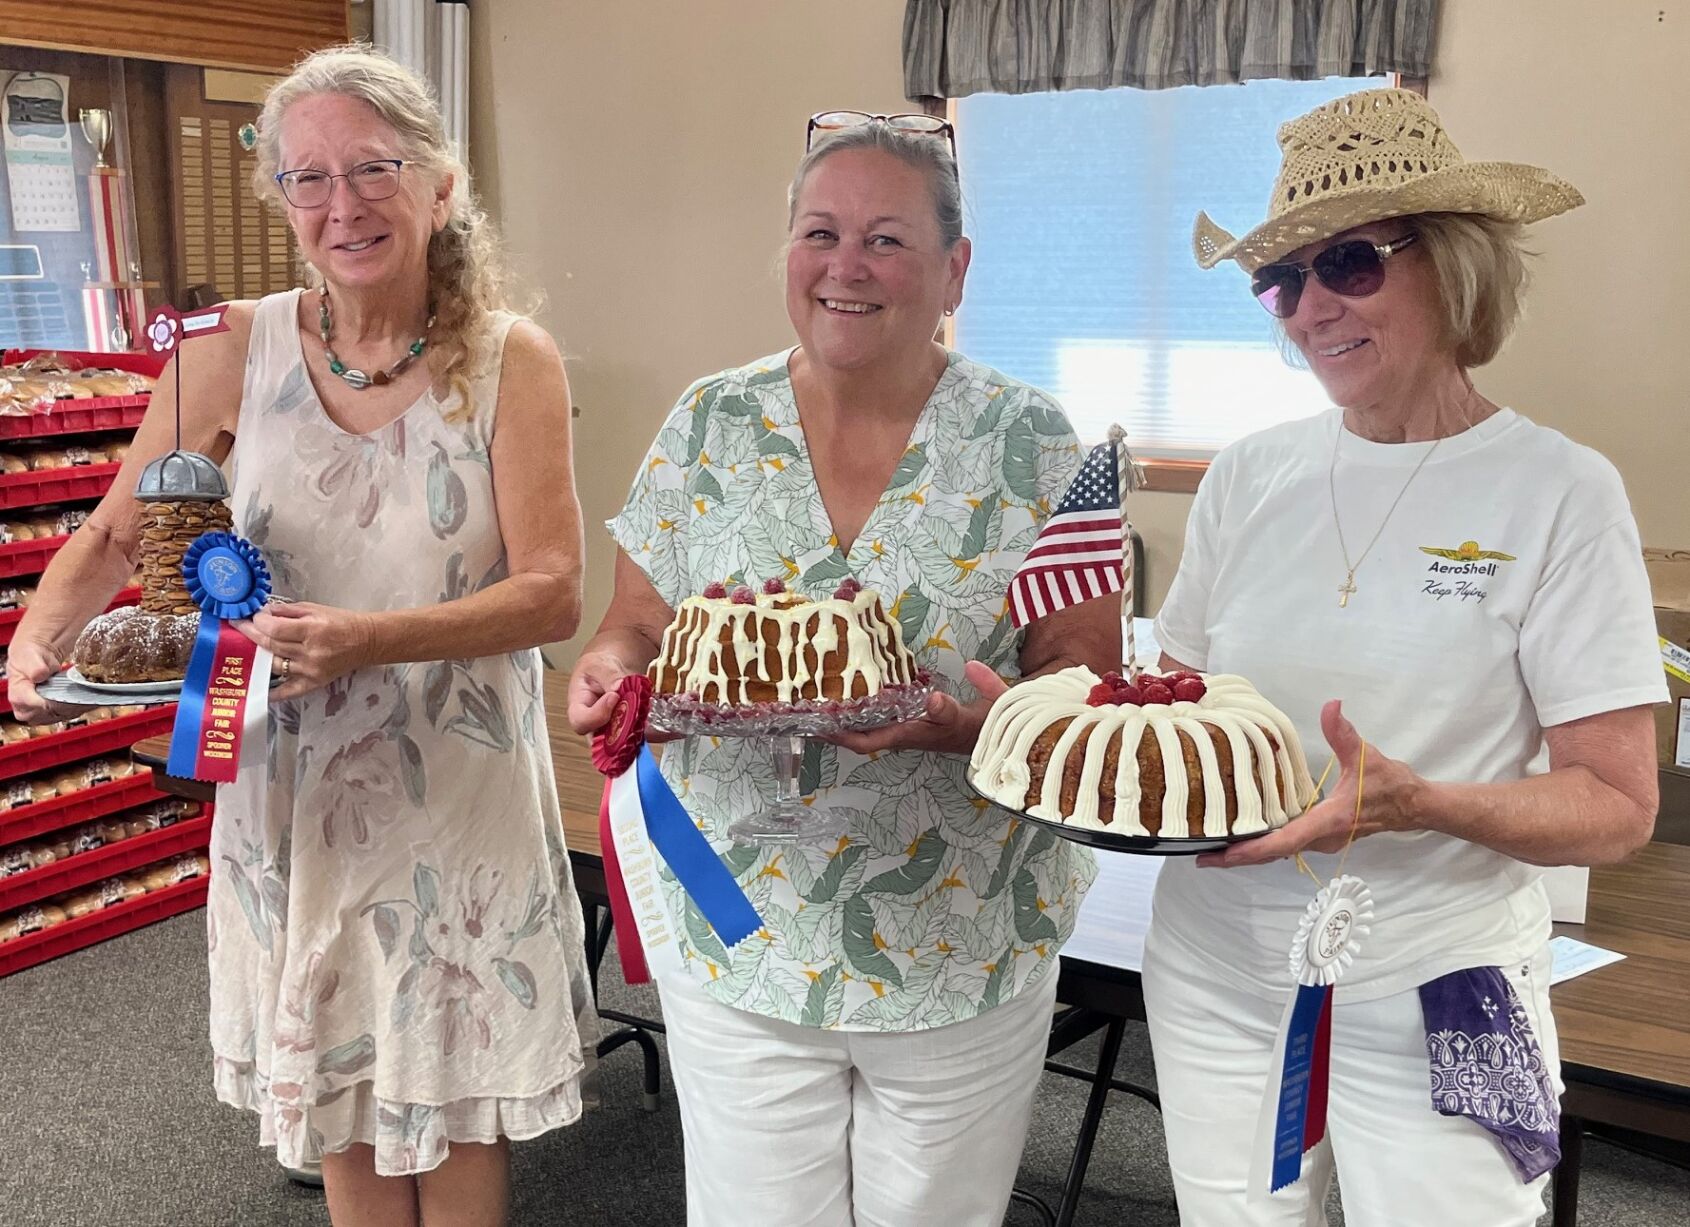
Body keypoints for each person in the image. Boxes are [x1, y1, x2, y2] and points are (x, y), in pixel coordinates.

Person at [9, 45, 597, 1227]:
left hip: (456, 794)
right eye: (308, 177)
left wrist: (373, 637)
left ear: (439, 184)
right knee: (338, 1098)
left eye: (373, 169)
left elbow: (552, 593)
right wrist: (38, 638)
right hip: (293, 796)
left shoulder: (507, 360)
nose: (343, 204)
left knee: (455, 1102)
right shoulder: (228, 349)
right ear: (280, 196)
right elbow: (121, 534)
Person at [567, 112, 1117, 1226]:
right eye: (820, 233)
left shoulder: (1033, 442)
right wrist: (611, 670)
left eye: (887, 239)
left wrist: (975, 726)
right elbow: (634, 626)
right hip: (740, 924)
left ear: (955, 268)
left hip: (961, 938)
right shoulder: (710, 422)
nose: (845, 266)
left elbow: (1083, 687)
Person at [1142, 87, 1663, 1225]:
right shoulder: (1250, 474)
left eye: (1348, 262)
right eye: (1282, 280)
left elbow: (1616, 808)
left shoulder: (1559, 492)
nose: (1309, 307)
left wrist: (1418, 804)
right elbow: (1176, 703)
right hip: (1219, 967)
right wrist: (1059, 726)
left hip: (1445, 978)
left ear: (1456, 263)